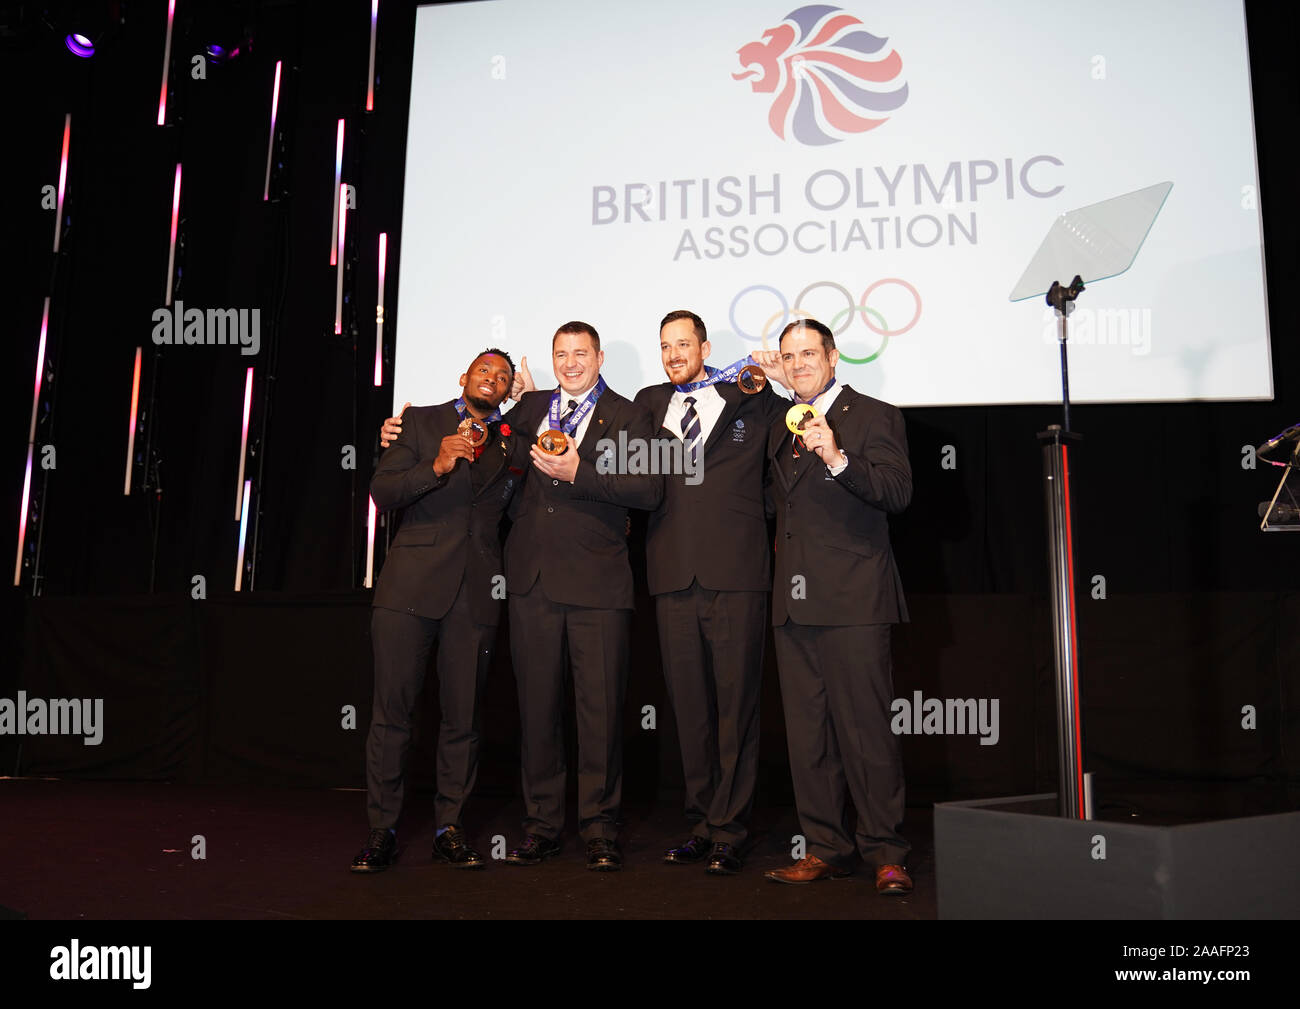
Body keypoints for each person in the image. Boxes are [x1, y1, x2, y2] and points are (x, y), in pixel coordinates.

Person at [350, 349, 525, 873]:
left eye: (502, 376)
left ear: (510, 390)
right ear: (463, 377)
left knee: (463, 720)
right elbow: (384, 491)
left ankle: (450, 828)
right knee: (393, 716)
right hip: (409, 591)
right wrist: (437, 464)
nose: (491, 379)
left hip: (475, 596)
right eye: (483, 371)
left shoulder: (512, 439)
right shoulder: (420, 420)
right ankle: (381, 832)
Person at [760, 318, 915, 896]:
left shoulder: (874, 415)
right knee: (809, 737)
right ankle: (826, 847)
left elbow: (898, 493)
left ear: (833, 357)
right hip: (793, 603)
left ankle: (887, 853)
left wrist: (837, 455)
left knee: (866, 731)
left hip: (854, 599)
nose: (799, 363)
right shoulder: (780, 421)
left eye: (808, 353)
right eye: (789, 356)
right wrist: (771, 389)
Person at [503, 321, 662, 871]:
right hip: (531, 582)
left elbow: (647, 488)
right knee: (537, 709)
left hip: (597, 584)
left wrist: (580, 472)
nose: (570, 363)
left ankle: (600, 828)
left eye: (580, 353)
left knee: (599, 713)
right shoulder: (529, 409)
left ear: (598, 358)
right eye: (561, 354)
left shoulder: (629, 413)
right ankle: (542, 826)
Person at [633, 311, 786, 875]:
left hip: (737, 575)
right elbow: (594, 423)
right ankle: (702, 822)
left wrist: (780, 377)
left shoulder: (752, 398)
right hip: (672, 575)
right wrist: (530, 401)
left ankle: (731, 829)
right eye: (665, 345)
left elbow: (796, 432)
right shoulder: (649, 403)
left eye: (683, 344)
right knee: (690, 710)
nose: (674, 354)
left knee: (736, 707)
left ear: (706, 347)